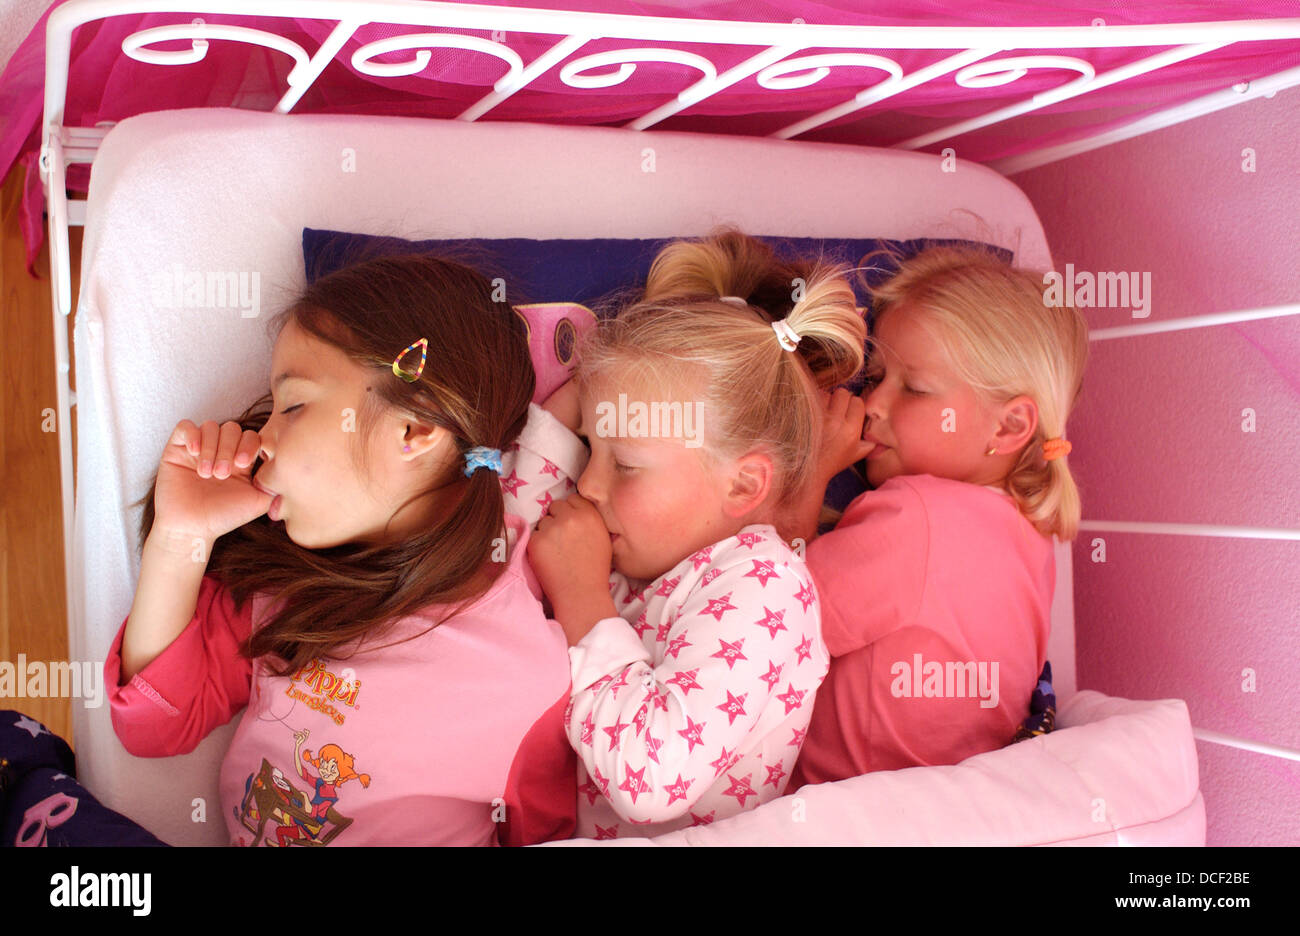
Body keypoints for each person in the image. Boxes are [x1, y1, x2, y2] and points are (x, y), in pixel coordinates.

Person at [104, 253, 583, 846]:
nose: (262, 440)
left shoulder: (526, 675)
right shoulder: (289, 588)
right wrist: (180, 538)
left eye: (295, 405)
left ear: (414, 429)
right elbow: (152, 728)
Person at [526, 228, 867, 838]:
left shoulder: (766, 585)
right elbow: (507, 544)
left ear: (742, 486)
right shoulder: (639, 547)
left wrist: (581, 600)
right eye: (588, 448)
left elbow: (651, 780)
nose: (590, 486)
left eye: (624, 463)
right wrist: (582, 399)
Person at [786, 245, 1088, 789]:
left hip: (836, 811)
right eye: (875, 377)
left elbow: (763, 607)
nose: (872, 402)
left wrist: (813, 467)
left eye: (915, 389)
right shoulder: (1031, 538)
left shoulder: (916, 515)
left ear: (1007, 427)